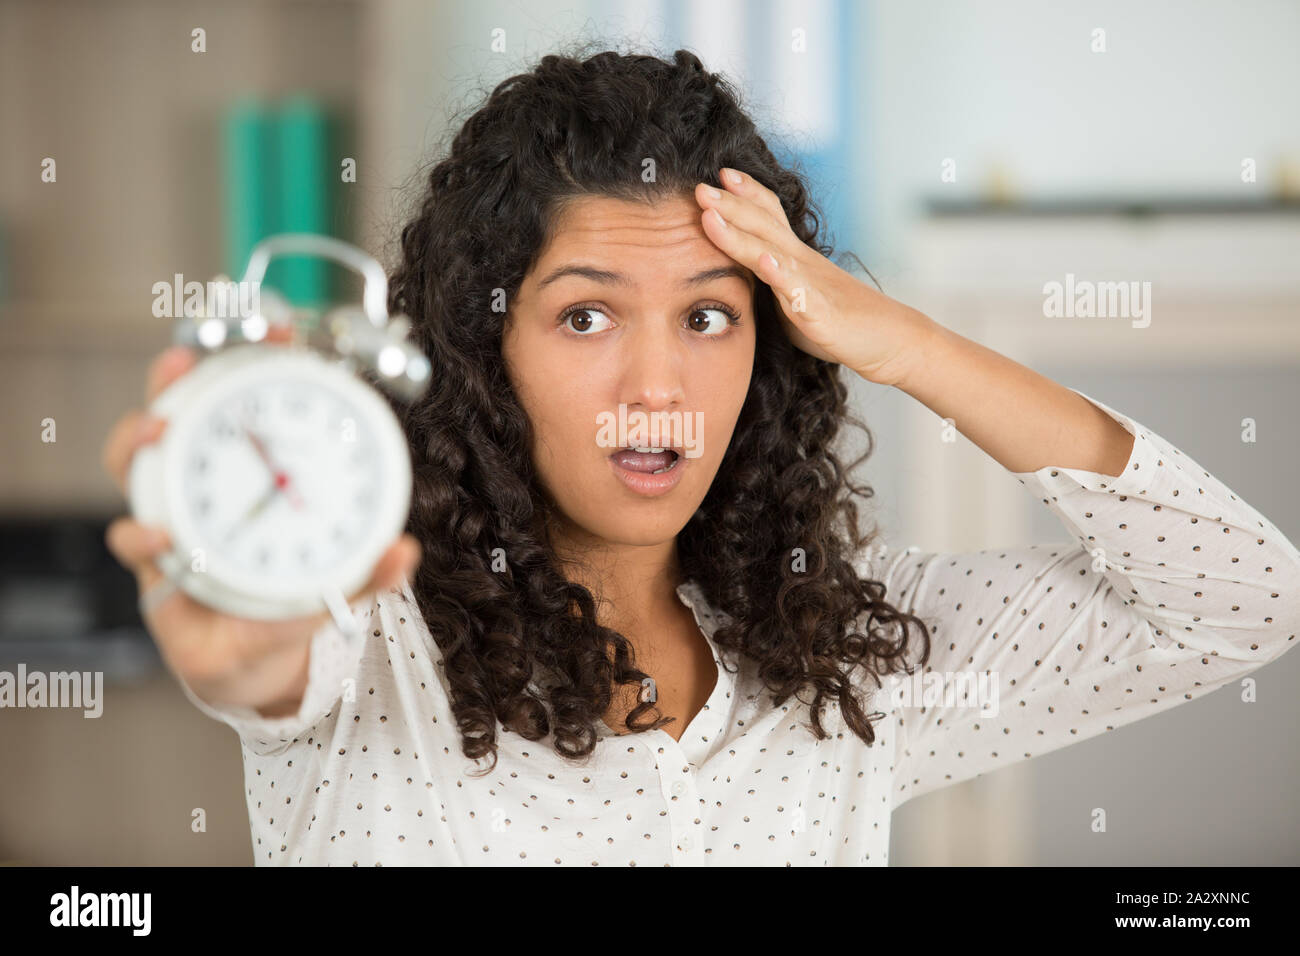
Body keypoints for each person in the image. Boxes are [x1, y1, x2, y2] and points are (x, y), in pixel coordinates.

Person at [102, 47, 1300, 866]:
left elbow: (1243, 600)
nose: (658, 386)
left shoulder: (847, 658)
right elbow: (267, 660)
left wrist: (906, 341)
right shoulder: (374, 633)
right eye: (584, 315)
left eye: (709, 314)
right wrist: (244, 617)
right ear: (484, 345)